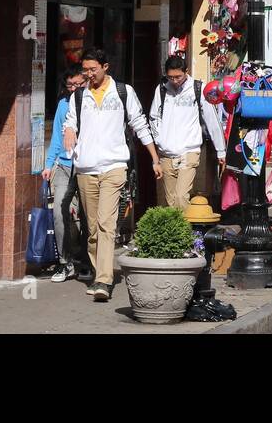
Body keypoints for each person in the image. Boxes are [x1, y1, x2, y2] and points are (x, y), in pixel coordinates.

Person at [62, 48, 161, 302]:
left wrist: (154, 158)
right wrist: (68, 131)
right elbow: (70, 121)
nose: (88, 74)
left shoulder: (123, 92)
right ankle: (101, 271)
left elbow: (139, 124)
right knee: (93, 229)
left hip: (114, 167)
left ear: (105, 67)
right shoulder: (79, 95)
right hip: (86, 169)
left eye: (92, 69)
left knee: (107, 224)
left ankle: (103, 281)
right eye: (85, 69)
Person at [150, 55, 226, 211]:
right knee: (169, 201)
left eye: (178, 76)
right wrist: (159, 139)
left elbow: (212, 121)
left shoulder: (198, 88)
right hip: (166, 152)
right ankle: (176, 234)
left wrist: (221, 151)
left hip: (189, 151)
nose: (175, 81)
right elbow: (153, 116)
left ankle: (184, 232)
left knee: (180, 196)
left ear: (186, 71)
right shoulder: (162, 89)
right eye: (170, 77)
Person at [41, 65, 87, 282]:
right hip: (64, 165)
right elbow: (57, 140)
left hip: (88, 166)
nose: (74, 89)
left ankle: (85, 259)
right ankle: (64, 262)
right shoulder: (63, 105)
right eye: (70, 85)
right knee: (60, 213)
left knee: (88, 216)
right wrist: (49, 164)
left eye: (78, 84)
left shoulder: (93, 104)